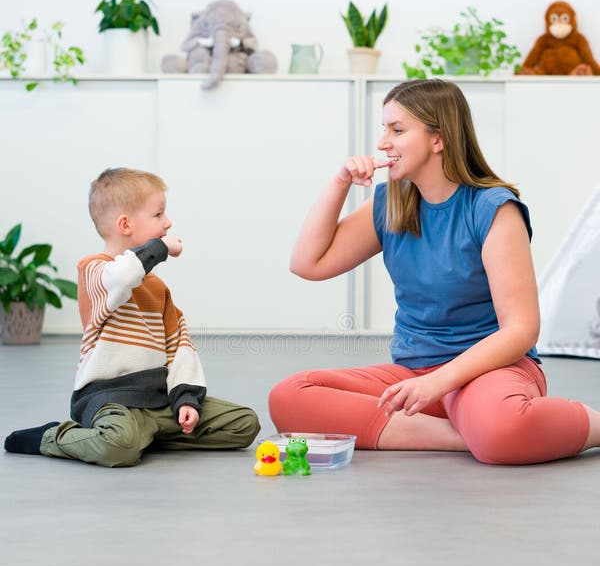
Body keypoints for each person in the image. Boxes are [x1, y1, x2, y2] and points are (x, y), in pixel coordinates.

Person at [269, 79, 600, 465]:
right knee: (290, 395)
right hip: (416, 374)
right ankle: (470, 436)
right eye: (384, 129)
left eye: (396, 130)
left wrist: (438, 383)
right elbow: (307, 264)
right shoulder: (391, 203)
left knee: (501, 429)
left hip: (488, 370)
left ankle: (554, 424)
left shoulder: (493, 209)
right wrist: (339, 183)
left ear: (437, 140)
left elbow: (521, 330)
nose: (382, 143)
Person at [4, 167, 260, 467]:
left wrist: (185, 399)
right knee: (117, 447)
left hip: (158, 402)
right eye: (158, 215)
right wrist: (159, 249)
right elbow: (122, 276)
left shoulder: (157, 288)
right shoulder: (95, 272)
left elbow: (179, 346)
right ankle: (54, 437)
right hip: (111, 401)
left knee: (244, 423)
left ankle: (145, 435)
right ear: (125, 224)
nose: (168, 223)